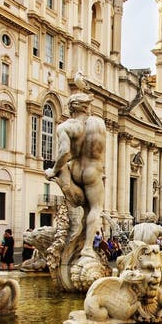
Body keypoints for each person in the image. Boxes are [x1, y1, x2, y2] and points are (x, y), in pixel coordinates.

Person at [44, 91, 106, 255]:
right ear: (87, 107)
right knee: (94, 208)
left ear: (71, 108)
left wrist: (54, 170)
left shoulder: (65, 127)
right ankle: (86, 248)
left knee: (81, 209)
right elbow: (100, 149)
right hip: (93, 170)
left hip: (74, 168)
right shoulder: (98, 124)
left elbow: (64, 152)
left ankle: (72, 238)